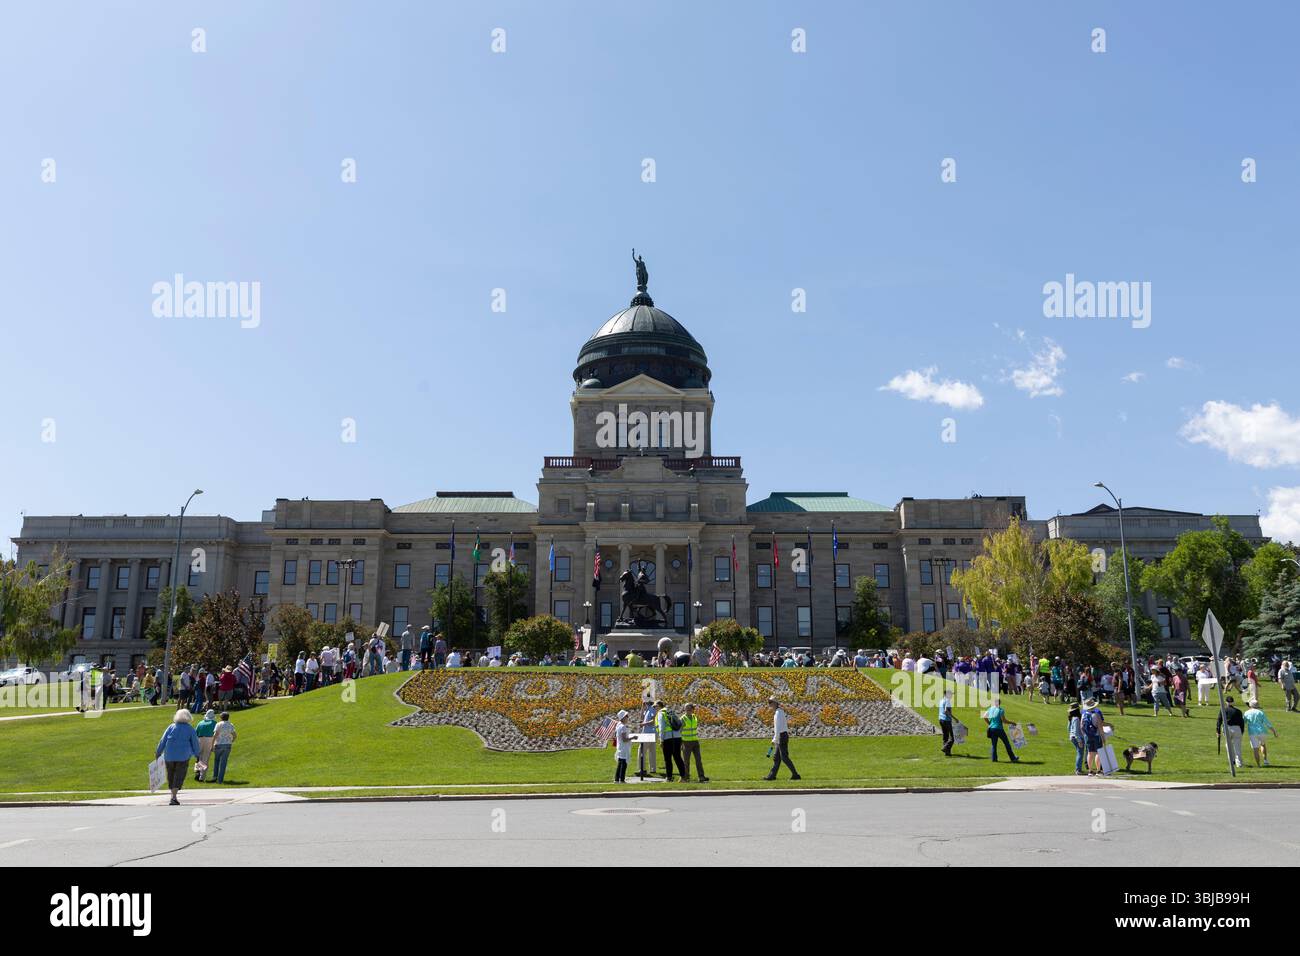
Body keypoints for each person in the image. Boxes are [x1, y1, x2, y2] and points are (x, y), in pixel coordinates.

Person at [155, 709, 201, 805]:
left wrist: (158, 752)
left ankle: (173, 795)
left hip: (169, 755)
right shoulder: (190, 729)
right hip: (183, 756)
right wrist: (197, 754)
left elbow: (163, 740)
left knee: (171, 775)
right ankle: (174, 797)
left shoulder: (171, 727)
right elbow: (195, 743)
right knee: (179, 775)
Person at [763, 696, 801, 780]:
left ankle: (795, 775)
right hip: (781, 736)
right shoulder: (779, 712)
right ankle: (772, 776)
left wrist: (774, 739)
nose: (769, 705)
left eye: (770, 703)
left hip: (781, 737)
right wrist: (775, 739)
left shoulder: (778, 714)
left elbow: (778, 729)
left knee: (784, 758)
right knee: (777, 758)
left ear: (775, 703)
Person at [655, 700, 687, 781]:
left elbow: (661, 728)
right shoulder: (670, 711)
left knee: (667, 759)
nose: (655, 708)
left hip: (668, 738)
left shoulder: (660, 713)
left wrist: (661, 740)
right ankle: (683, 777)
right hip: (677, 737)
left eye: (655, 706)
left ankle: (669, 777)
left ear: (659, 706)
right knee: (678, 757)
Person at [983, 695, 1019, 764]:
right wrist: (1012, 722)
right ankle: (1013, 758)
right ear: (999, 703)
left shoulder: (990, 709)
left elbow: (984, 717)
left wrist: (989, 723)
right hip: (999, 729)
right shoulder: (1000, 710)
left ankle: (994, 759)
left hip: (991, 729)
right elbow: (1004, 721)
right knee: (1006, 743)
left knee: (994, 744)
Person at [1243, 699, 1278, 767]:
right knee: (1263, 745)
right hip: (1262, 731)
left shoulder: (1246, 713)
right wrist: (1274, 731)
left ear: (1250, 705)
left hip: (1252, 732)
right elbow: (1267, 723)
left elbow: (1243, 723)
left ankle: (1258, 765)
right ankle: (1265, 761)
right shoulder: (1260, 712)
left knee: (1255, 749)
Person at [680, 703, 709, 782]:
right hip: (686, 742)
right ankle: (685, 777)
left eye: (689, 709)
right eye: (686, 709)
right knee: (686, 761)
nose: (687, 711)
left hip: (695, 742)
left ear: (693, 709)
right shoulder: (683, 719)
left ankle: (701, 777)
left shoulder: (694, 717)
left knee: (698, 760)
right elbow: (679, 731)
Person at [1218, 696, 1246, 768]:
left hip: (1227, 728)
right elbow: (1241, 722)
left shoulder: (1223, 710)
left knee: (1228, 745)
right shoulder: (1238, 711)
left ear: (1226, 702)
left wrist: (1218, 730)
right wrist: (1242, 731)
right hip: (1237, 729)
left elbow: (1219, 721)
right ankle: (1239, 763)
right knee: (1237, 747)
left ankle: (1231, 761)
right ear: (1233, 702)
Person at [211, 711, 237, 784]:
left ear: (221, 718)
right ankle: (220, 780)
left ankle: (215, 777)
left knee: (216, 760)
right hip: (227, 744)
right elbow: (235, 735)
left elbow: (215, 734)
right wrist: (231, 741)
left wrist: (212, 744)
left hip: (218, 744)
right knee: (223, 762)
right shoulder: (230, 725)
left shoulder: (218, 724)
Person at [1080, 698, 1104, 774]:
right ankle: (1098, 770)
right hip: (1096, 735)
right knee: (1098, 753)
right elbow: (1100, 727)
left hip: (1088, 736)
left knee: (1090, 753)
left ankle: (1090, 770)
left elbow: (1081, 726)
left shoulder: (1083, 715)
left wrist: (1084, 735)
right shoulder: (1096, 715)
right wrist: (1103, 736)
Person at [194, 708, 217, 782]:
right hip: (209, 739)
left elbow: (196, 733)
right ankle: (201, 776)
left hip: (200, 739)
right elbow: (216, 734)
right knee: (205, 758)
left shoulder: (200, 722)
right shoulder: (214, 723)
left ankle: (198, 773)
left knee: (200, 757)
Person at [638, 700, 658, 776]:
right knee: (652, 751)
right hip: (651, 733)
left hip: (648, 733)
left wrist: (643, 724)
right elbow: (641, 718)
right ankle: (653, 769)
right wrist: (642, 708)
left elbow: (653, 721)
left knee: (641, 750)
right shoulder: (648, 710)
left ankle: (642, 768)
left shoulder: (652, 709)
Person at [613, 709, 633, 783]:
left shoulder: (619, 725)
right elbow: (624, 739)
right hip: (624, 747)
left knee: (620, 763)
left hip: (620, 747)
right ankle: (622, 779)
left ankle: (616, 779)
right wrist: (632, 738)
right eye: (626, 716)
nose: (628, 717)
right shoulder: (623, 727)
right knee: (623, 764)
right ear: (623, 717)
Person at [1067, 702, 1085, 775]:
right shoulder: (1077, 719)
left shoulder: (1071, 718)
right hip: (1077, 738)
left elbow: (1068, 728)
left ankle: (1078, 769)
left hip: (1072, 737)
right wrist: (1079, 741)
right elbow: (1076, 731)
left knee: (1079, 752)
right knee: (1080, 753)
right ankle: (1078, 770)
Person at [938, 688, 955, 756]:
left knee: (945, 737)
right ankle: (944, 748)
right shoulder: (947, 701)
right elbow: (946, 711)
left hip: (941, 719)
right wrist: (954, 718)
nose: (951, 696)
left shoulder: (941, 700)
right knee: (952, 738)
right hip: (946, 720)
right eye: (950, 694)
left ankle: (947, 753)